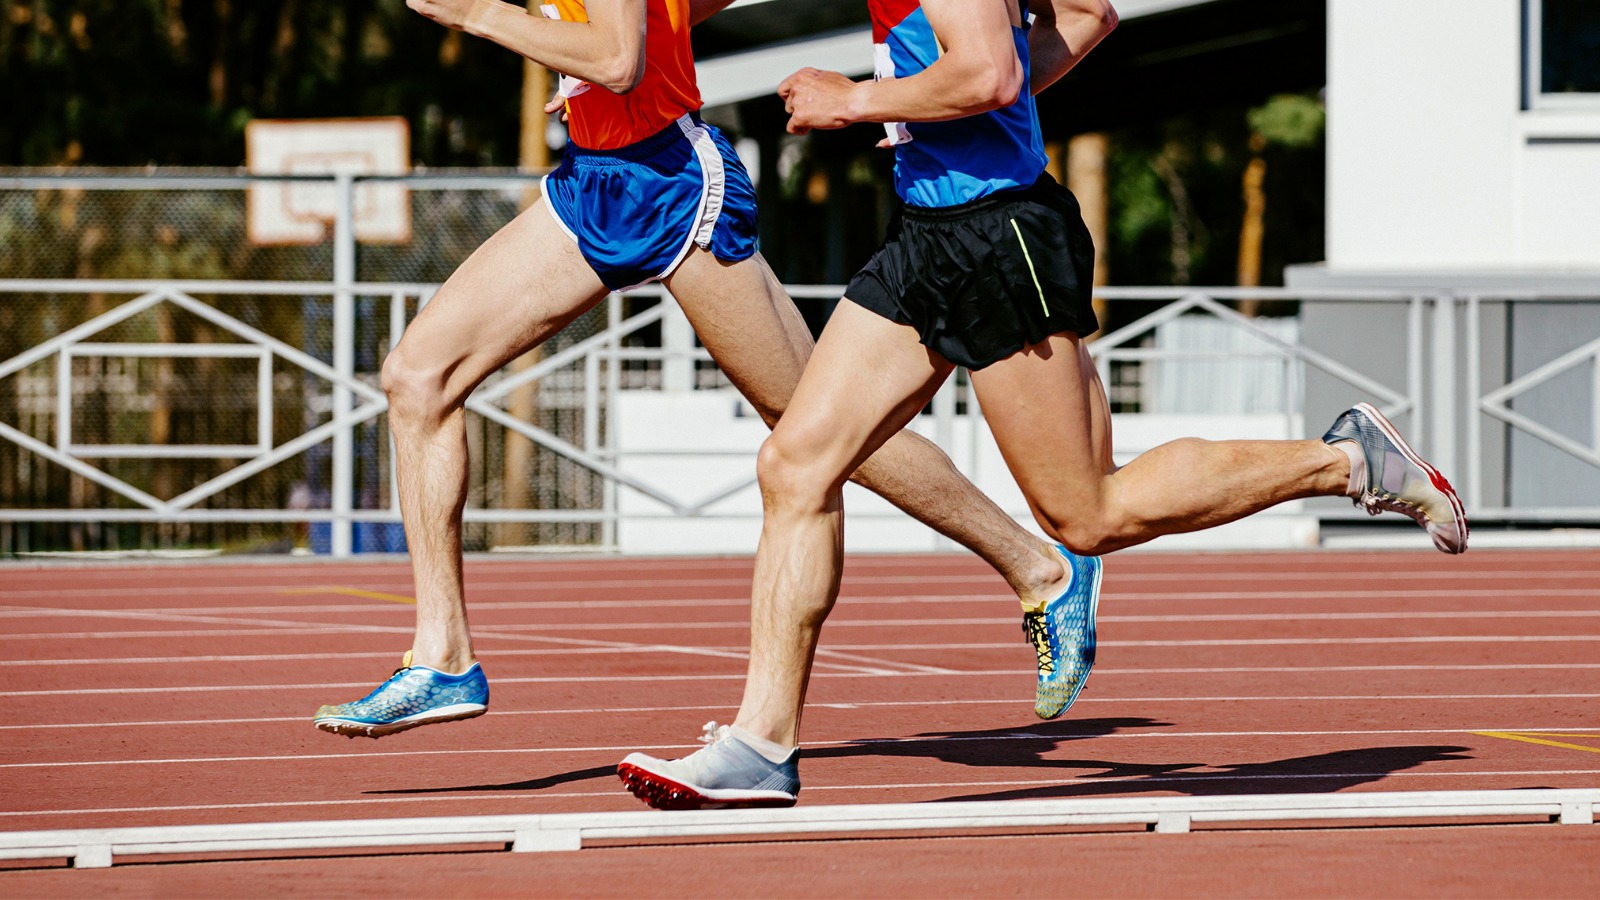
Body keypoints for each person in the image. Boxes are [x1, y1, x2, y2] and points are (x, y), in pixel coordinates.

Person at [617, 0, 1467, 809]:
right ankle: (762, 745)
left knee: (1089, 514)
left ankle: (1348, 462)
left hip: (997, 237)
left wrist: (858, 101)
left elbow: (987, 74)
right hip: (927, 231)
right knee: (796, 462)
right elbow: (1086, 17)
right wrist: (925, 112)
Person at [313, 0, 1103, 738]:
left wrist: (487, 16)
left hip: (671, 187)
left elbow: (619, 59)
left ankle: (1037, 567)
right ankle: (444, 655)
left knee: (811, 429)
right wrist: (591, 54)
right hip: (594, 183)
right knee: (418, 376)